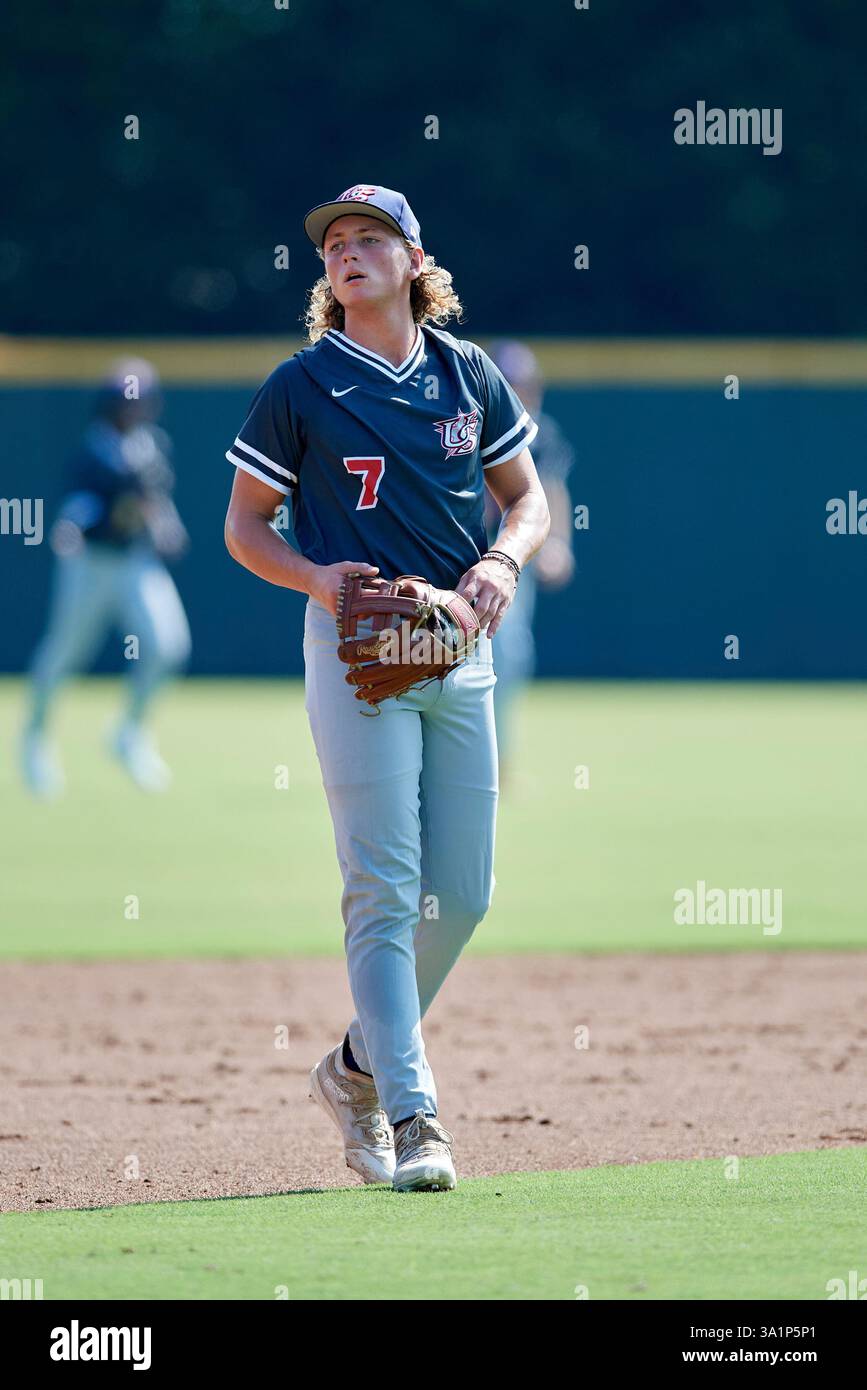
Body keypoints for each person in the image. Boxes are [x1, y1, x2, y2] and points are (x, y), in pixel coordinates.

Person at [224, 184, 550, 1192]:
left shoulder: (468, 373)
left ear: (416, 261)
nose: (347, 253)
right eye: (334, 243)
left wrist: (501, 563)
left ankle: (353, 1069)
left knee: (467, 894)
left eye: (371, 238)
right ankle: (415, 1118)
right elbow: (245, 527)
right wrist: (316, 577)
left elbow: (527, 501)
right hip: (359, 655)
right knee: (384, 888)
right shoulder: (302, 384)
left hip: (458, 649)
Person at [21, 359, 191, 797]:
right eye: (125, 402)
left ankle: (129, 733)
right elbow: (78, 512)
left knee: (167, 646)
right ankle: (36, 740)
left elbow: (154, 499)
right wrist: (74, 528)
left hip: (137, 563)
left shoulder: (153, 445)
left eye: (139, 401)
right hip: (92, 564)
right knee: (64, 653)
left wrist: (166, 526)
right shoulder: (94, 452)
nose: (133, 410)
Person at [483, 341, 576, 778]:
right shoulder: (469, 425)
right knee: (503, 650)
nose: (521, 391)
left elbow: (552, 490)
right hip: (473, 556)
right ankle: (483, 758)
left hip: (520, 558)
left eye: (525, 383)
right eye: (511, 383)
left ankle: (496, 756)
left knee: (512, 654)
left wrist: (559, 542)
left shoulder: (541, 433)